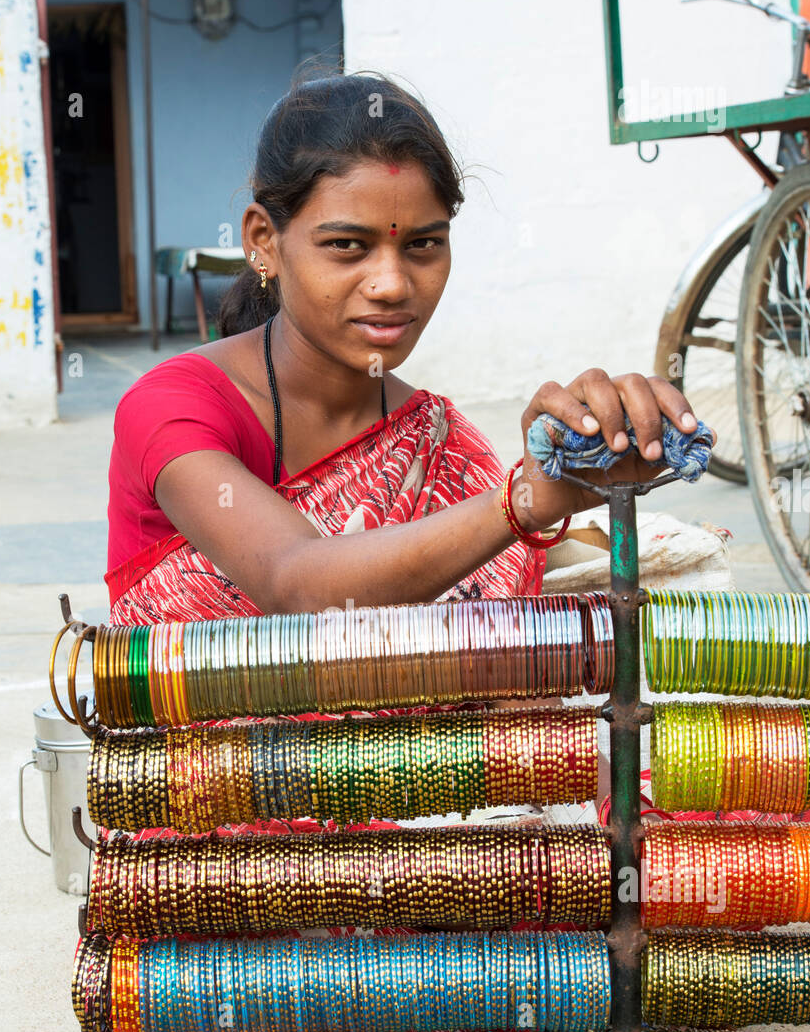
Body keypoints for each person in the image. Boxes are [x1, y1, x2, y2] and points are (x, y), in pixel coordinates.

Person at [105, 73, 708, 625]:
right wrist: (519, 503)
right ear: (264, 241)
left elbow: (486, 648)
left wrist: (592, 463)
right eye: (346, 245)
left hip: (408, 749)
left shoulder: (437, 441)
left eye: (423, 244)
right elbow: (295, 584)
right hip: (204, 745)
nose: (392, 284)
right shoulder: (172, 406)